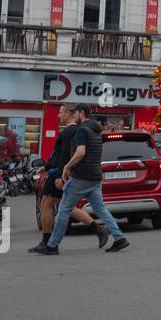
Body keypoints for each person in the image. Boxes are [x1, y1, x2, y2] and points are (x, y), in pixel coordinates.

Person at [31, 104, 127, 254]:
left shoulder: (82, 130)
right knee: (100, 209)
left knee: (63, 210)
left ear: (81, 113)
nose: (75, 116)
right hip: (95, 177)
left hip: (82, 177)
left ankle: (52, 245)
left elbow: (80, 152)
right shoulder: (96, 131)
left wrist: (67, 167)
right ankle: (120, 237)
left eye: (76, 113)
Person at [35, 104, 105, 247]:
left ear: (70, 114)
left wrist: (59, 176)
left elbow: (64, 156)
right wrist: (46, 166)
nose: (58, 115)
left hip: (60, 174)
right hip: (68, 173)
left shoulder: (68, 132)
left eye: (61, 113)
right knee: (68, 208)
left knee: (46, 205)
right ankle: (98, 229)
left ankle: (46, 241)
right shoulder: (78, 130)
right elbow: (61, 155)